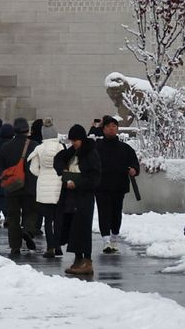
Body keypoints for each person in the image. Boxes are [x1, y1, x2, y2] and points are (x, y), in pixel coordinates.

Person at [55, 125, 101, 277]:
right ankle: (78, 258)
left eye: (76, 140)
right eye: (72, 140)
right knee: (72, 227)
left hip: (83, 196)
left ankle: (86, 260)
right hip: (70, 196)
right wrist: (63, 171)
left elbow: (95, 178)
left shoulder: (91, 154)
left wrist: (79, 183)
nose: (73, 143)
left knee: (83, 227)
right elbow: (59, 159)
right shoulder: (72, 152)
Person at [95, 117, 139, 254]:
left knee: (116, 212)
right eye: (108, 126)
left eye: (114, 126)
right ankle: (106, 240)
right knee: (103, 213)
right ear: (103, 129)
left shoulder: (125, 148)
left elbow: (134, 165)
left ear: (117, 129)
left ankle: (114, 237)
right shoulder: (96, 147)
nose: (111, 128)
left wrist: (134, 170)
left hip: (119, 186)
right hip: (101, 186)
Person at [0, 121, 40, 258]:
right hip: (30, 185)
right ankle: (28, 230)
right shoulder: (34, 146)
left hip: (12, 186)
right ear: (27, 130)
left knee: (13, 216)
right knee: (31, 212)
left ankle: (15, 246)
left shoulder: (6, 147)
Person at [29, 120, 66, 257]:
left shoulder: (39, 149)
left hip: (44, 186)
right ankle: (58, 246)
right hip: (58, 184)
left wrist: (43, 174)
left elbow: (33, 169)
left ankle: (50, 247)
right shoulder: (60, 147)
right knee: (58, 219)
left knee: (48, 219)